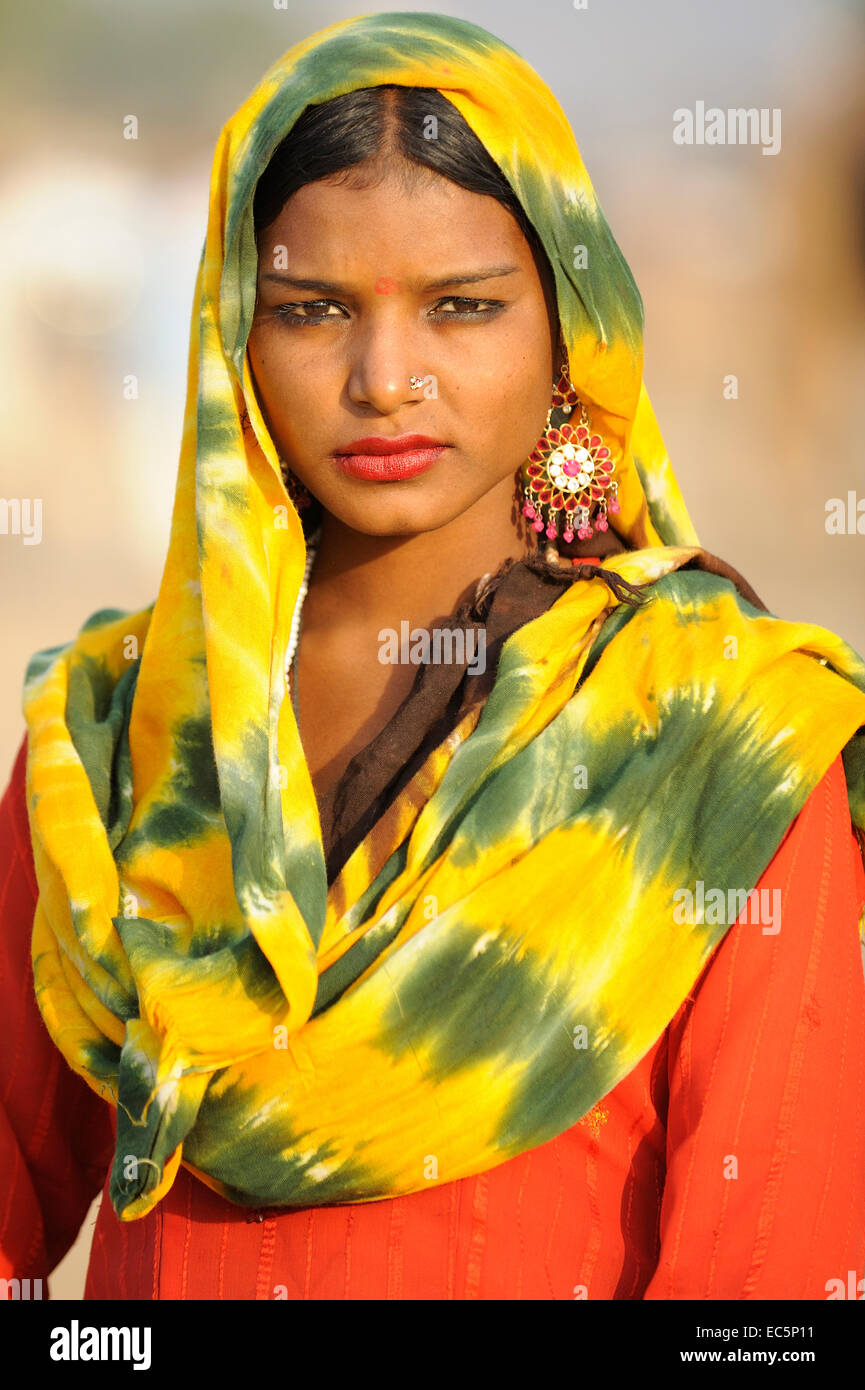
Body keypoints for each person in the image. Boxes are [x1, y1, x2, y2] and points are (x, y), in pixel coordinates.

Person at [2, 10, 865, 1301]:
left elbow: (765, 1283)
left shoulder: (718, 735)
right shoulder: (114, 734)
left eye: (463, 307)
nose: (385, 376)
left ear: (570, 328)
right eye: (311, 310)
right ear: (233, 341)